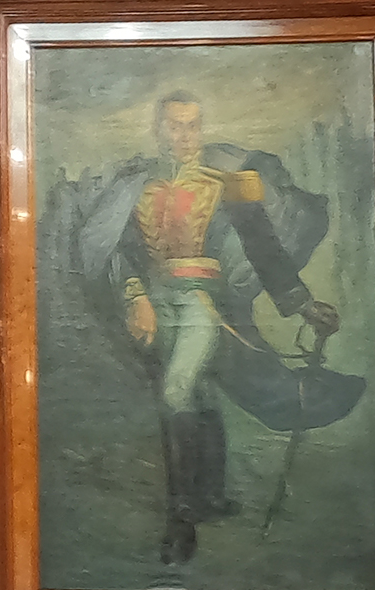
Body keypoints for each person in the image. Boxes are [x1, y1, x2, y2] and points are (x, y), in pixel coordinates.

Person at [77, 90, 342, 564]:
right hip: (153, 308)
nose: (184, 135)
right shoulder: (131, 186)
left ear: (202, 128)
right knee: (196, 393)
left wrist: (301, 305)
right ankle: (212, 495)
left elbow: (263, 246)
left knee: (176, 393)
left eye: (192, 125)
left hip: (206, 303)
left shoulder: (232, 181)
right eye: (174, 125)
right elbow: (119, 250)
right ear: (157, 129)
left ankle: (181, 519)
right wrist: (136, 297)